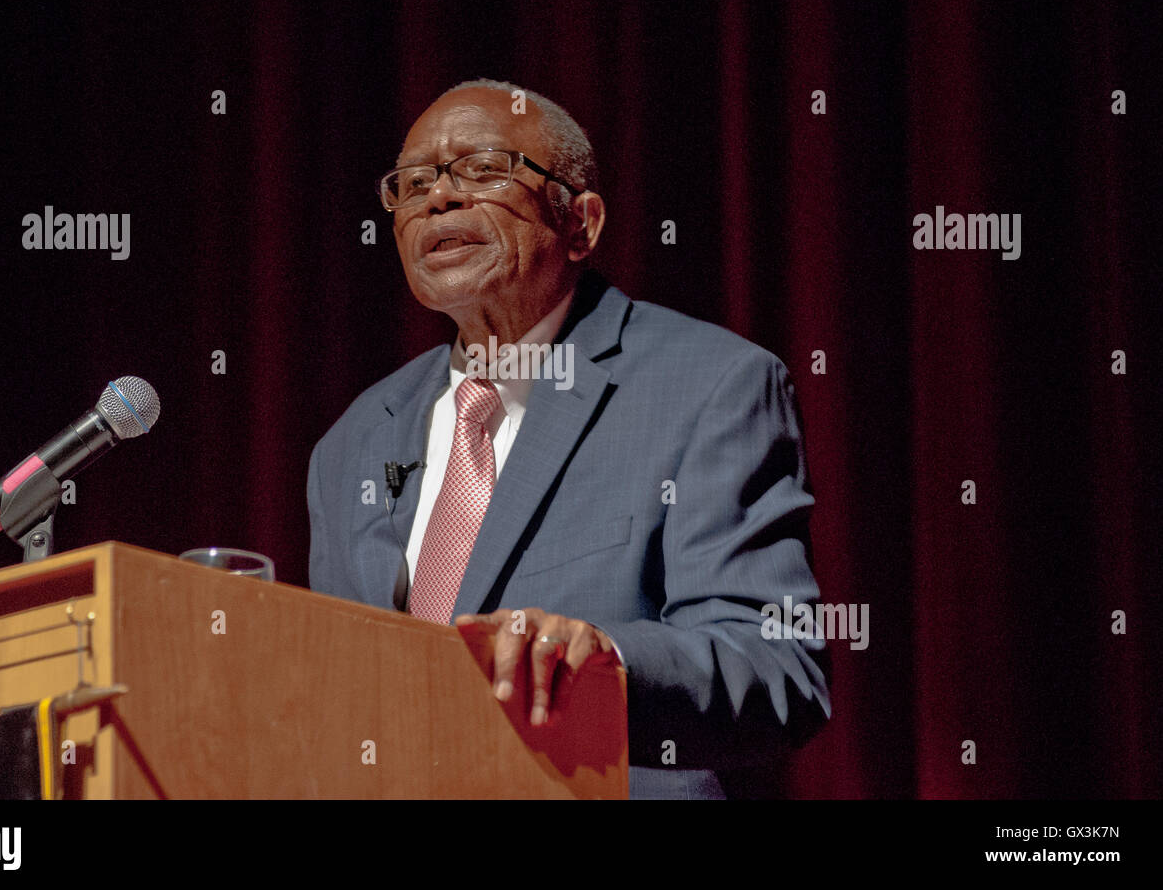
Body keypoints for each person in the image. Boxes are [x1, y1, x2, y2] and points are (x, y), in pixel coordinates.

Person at [306, 78, 830, 798]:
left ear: (581, 222)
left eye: (484, 170)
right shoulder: (354, 442)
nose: (440, 198)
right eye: (414, 181)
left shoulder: (709, 385)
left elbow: (776, 666)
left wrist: (607, 662)